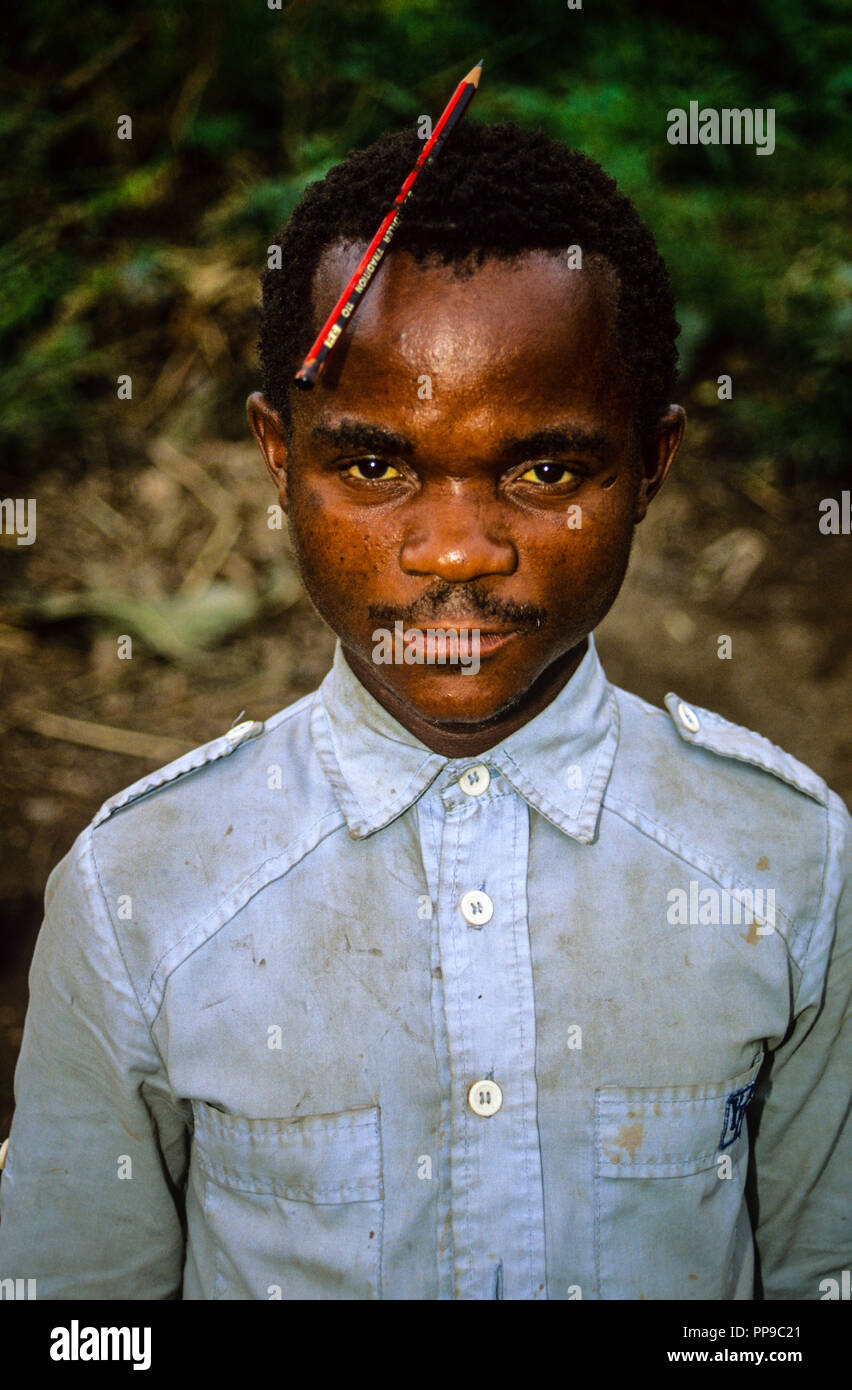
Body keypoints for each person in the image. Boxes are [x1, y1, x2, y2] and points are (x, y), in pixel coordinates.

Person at [0, 122, 848, 1301]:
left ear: (651, 466)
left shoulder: (791, 864)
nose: (456, 550)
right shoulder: (139, 891)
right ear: (276, 457)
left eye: (545, 470)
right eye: (376, 467)